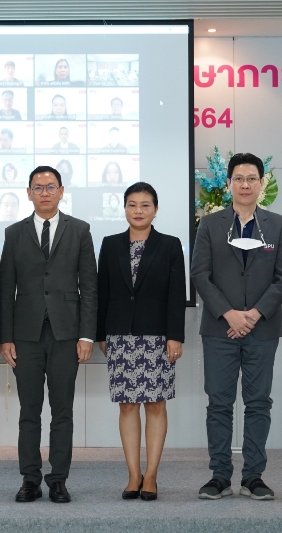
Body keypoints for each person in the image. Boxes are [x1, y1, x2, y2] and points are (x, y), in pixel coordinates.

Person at [190, 152, 282, 501]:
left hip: (262, 330)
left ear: (261, 183)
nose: (245, 184)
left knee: (258, 403)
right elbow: (200, 275)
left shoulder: (277, 225)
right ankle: (219, 475)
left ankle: (253, 476)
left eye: (252, 178)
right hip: (220, 329)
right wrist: (229, 314)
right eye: (239, 178)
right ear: (229, 183)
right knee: (219, 404)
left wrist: (254, 314)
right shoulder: (210, 224)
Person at [0, 165, 98, 504]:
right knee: (29, 411)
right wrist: (5, 337)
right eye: (37, 187)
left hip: (66, 334)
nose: (44, 192)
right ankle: (30, 479)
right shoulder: (14, 233)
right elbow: (4, 289)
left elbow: (89, 286)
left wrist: (87, 336)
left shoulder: (80, 230)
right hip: (24, 336)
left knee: (62, 411)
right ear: (28, 193)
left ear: (61, 191)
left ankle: (58, 479)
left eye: (50, 186)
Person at [97, 182, 185, 501]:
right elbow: (102, 292)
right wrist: (100, 334)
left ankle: (151, 475)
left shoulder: (171, 245)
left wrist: (175, 336)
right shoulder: (110, 244)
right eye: (132, 205)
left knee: (156, 404)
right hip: (121, 336)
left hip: (158, 337)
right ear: (124, 209)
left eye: (145, 205)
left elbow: (177, 295)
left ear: (156, 209)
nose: (138, 210)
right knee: (128, 404)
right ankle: (133, 474)